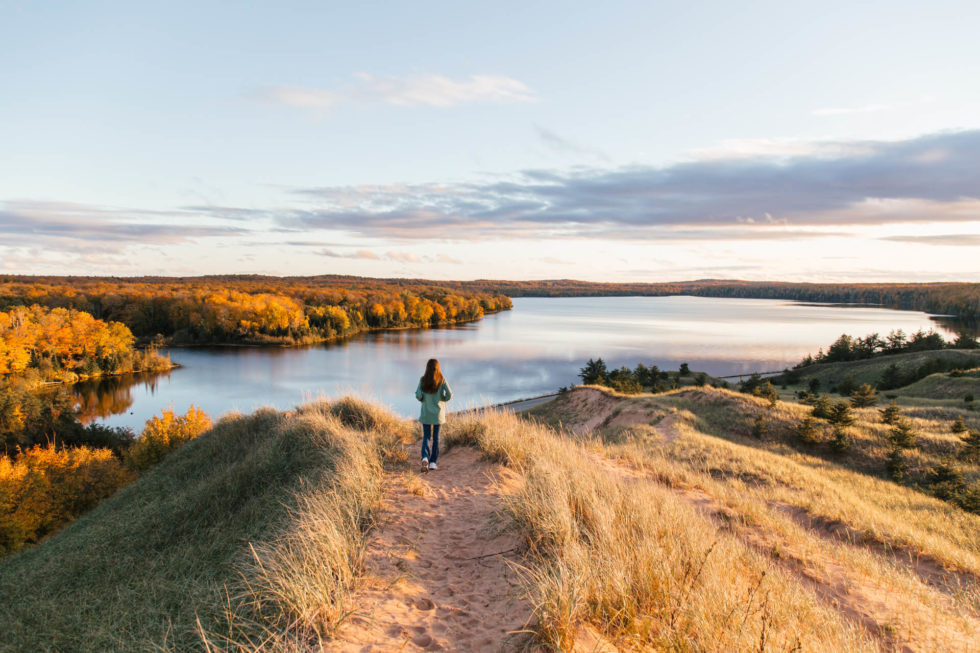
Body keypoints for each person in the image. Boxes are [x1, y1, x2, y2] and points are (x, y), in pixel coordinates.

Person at [415, 358, 452, 471]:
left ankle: (425, 457)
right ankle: (432, 463)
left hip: (426, 413)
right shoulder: (442, 380)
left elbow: (418, 394)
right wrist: (443, 399)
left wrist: (423, 399)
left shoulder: (423, 380)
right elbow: (450, 394)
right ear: (438, 368)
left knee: (426, 436)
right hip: (438, 415)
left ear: (427, 368)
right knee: (436, 438)